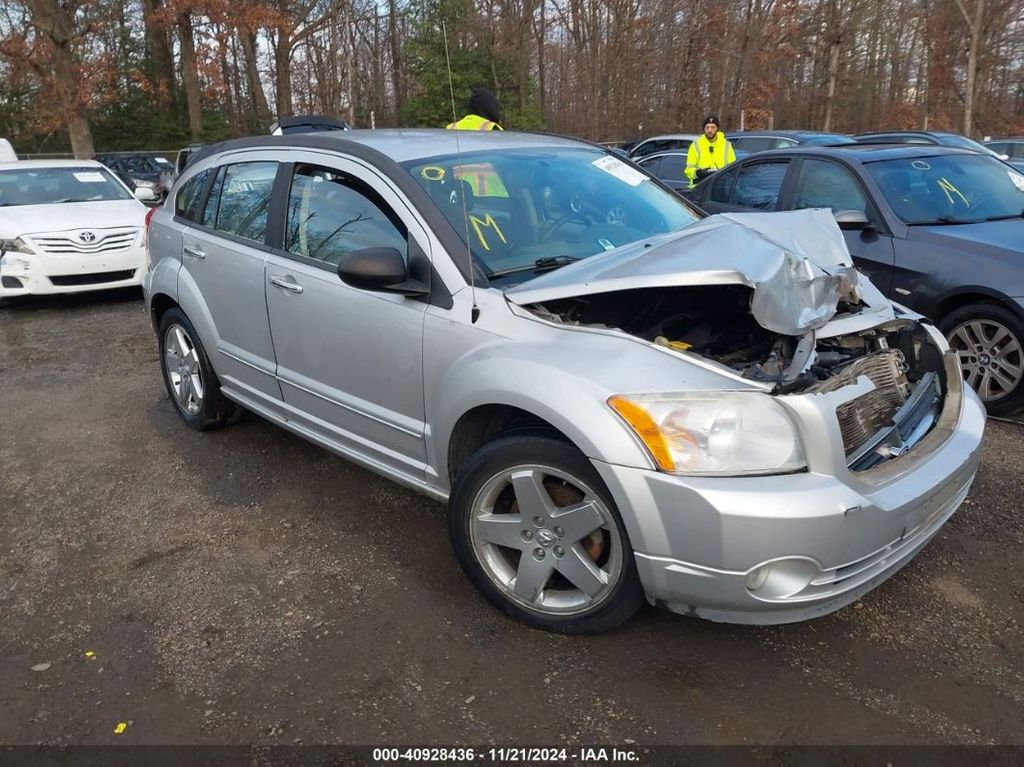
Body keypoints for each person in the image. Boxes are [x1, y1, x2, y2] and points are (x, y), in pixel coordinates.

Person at [685, 115, 736, 187]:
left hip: (720, 187)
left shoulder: (726, 145)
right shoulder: (695, 146)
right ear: (704, 129)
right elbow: (688, 170)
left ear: (717, 129)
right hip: (699, 187)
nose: (709, 130)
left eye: (713, 127)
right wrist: (699, 173)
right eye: (707, 127)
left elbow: (733, 168)